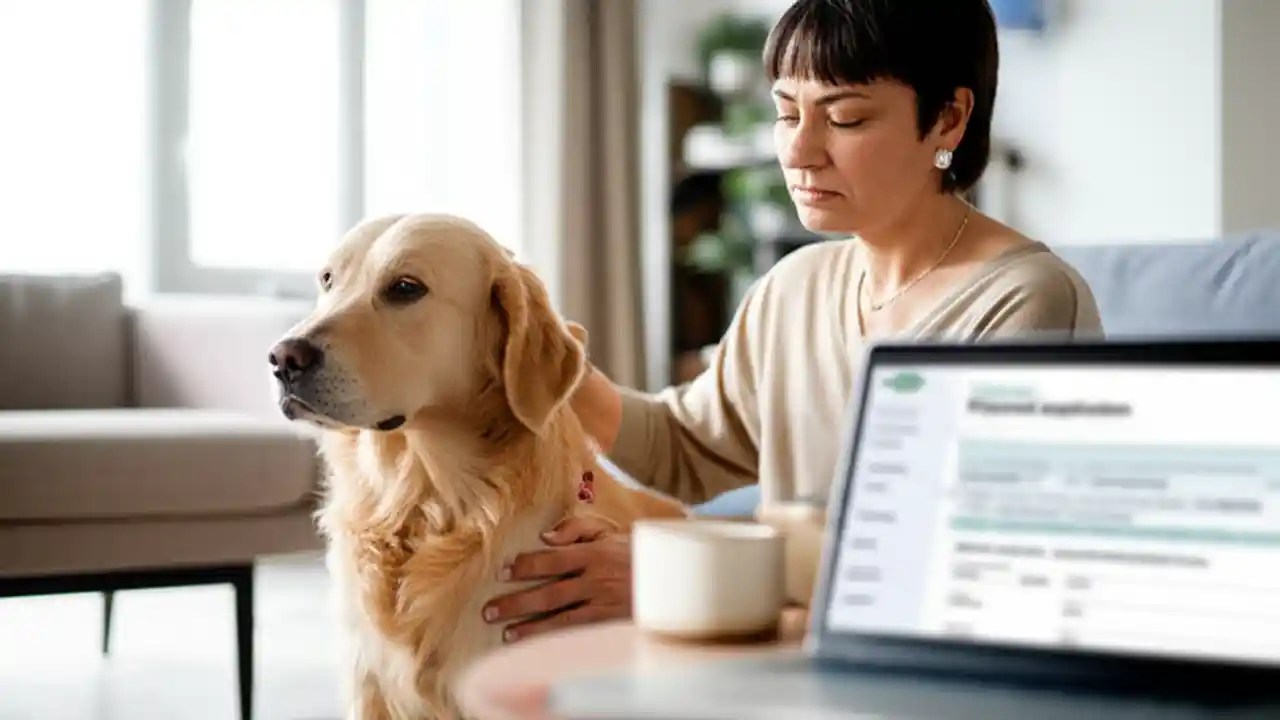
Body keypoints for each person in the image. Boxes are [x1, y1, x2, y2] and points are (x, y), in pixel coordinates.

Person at [483, 0, 1102, 643]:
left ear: (948, 118)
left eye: (845, 117)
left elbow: (970, 574)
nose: (800, 152)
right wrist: (542, 366)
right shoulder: (793, 287)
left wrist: (685, 577)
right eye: (786, 113)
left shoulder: (1025, 302)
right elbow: (685, 446)